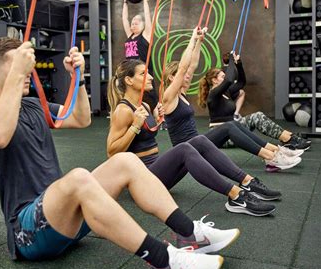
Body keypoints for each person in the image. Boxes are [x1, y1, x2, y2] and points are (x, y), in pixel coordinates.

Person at [0, 37, 238, 269]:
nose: (26, 73)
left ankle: (189, 233)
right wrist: (16, 76)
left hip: (66, 218)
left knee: (126, 161)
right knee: (79, 178)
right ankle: (165, 261)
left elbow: (80, 118)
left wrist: (78, 79)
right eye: (16, 67)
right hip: (28, 234)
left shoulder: (34, 105)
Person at [107, 53, 278, 216]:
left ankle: (247, 182)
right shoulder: (123, 110)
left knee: (199, 141)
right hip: (141, 180)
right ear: (129, 80)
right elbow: (112, 152)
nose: (151, 77)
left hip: (156, 169)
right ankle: (236, 196)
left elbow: (144, 138)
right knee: (185, 149)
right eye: (143, 74)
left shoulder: (143, 105)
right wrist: (134, 126)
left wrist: (156, 119)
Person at [162, 28, 302, 173]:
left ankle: (277, 151)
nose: (187, 76)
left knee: (232, 124)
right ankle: (270, 157)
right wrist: (192, 38)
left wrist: (199, 41)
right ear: (172, 77)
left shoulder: (182, 91)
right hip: (185, 149)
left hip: (196, 142)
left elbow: (192, 65)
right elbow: (185, 66)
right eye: (182, 74)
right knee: (229, 127)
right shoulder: (169, 96)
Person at [198, 52, 311, 150]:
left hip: (234, 128)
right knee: (256, 117)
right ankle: (288, 139)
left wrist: (239, 64)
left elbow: (241, 82)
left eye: (224, 76)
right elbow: (229, 79)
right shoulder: (213, 95)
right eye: (222, 76)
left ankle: (289, 137)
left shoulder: (226, 92)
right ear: (214, 80)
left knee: (257, 116)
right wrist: (231, 61)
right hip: (223, 136)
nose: (225, 78)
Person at [122, 0, 158, 111]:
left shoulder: (146, 36)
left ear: (143, 26)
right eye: (133, 23)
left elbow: (148, 18)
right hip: (131, 71)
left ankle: (158, 116)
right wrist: (125, 3)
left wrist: (145, 0)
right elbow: (124, 20)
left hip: (144, 72)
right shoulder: (130, 36)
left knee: (150, 96)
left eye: (137, 23)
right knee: (132, 94)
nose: (133, 24)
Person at [221, 53, 245, 121]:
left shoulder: (220, 70)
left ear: (222, 61)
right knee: (241, 92)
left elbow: (241, 82)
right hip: (225, 94)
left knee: (239, 92)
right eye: (222, 76)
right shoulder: (234, 71)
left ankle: (235, 114)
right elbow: (239, 82)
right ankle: (236, 114)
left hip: (228, 93)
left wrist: (238, 63)